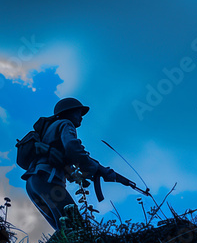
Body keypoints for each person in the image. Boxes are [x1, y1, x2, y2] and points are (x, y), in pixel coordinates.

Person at [22, 97, 122, 231]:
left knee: (64, 228)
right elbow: (72, 148)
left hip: (33, 183)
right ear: (68, 112)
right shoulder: (65, 124)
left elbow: (65, 159)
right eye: (78, 112)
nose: (81, 117)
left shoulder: (49, 131)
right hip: (47, 179)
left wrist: (92, 172)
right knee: (77, 227)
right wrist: (97, 168)